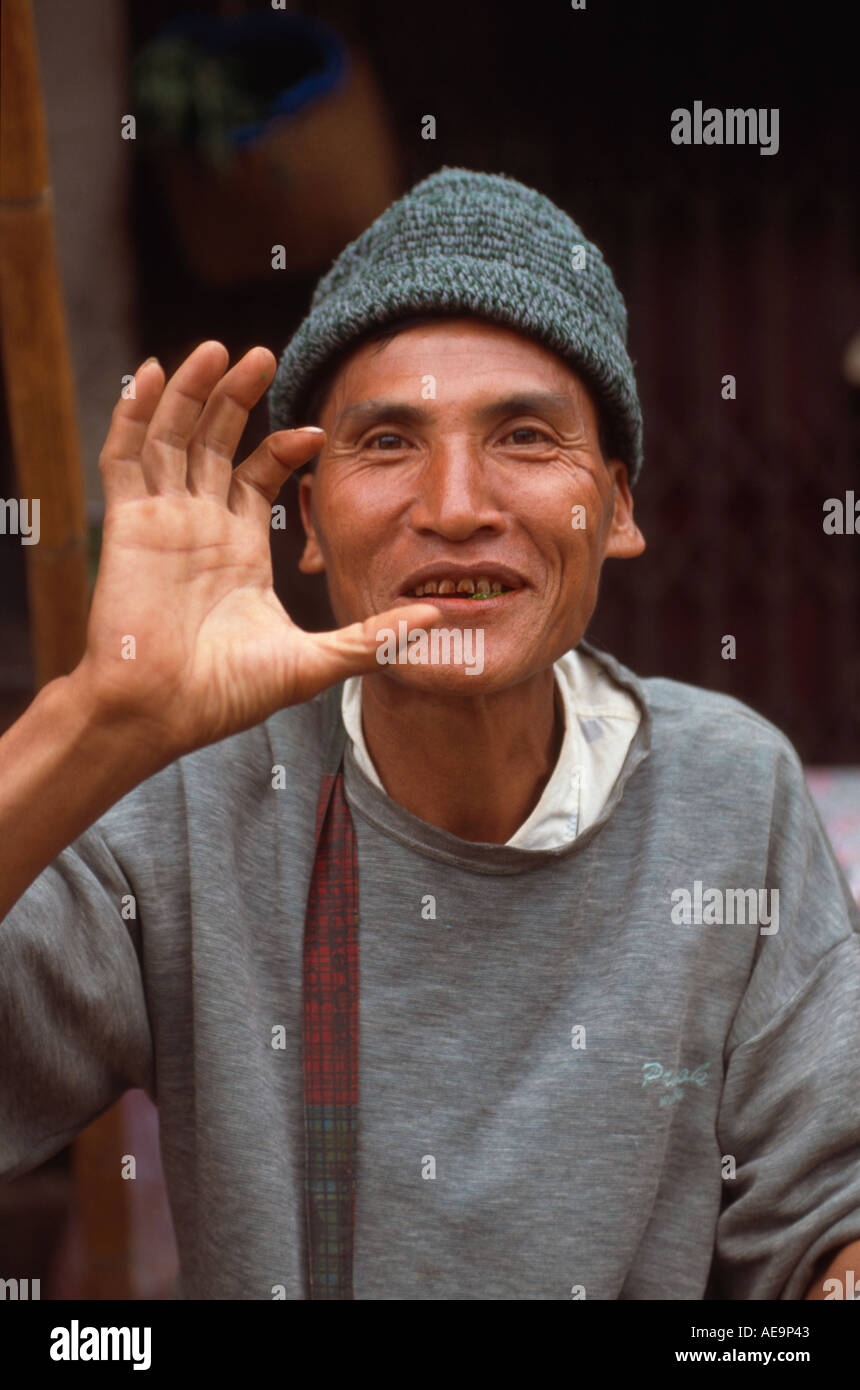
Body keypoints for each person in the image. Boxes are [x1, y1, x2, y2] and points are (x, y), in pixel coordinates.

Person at [1, 167, 858, 1301]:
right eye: (389, 443)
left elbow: (827, 1213)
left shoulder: (726, 791)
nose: (456, 505)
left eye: (524, 436)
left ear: (616, 505)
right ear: (309, 522)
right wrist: (99, 715)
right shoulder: (192, 799)